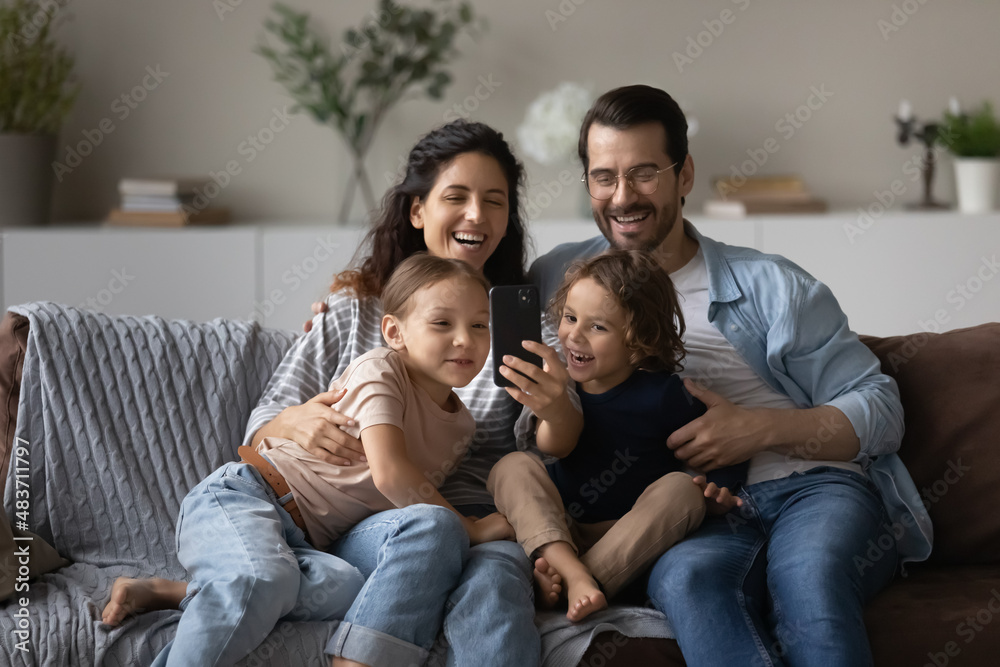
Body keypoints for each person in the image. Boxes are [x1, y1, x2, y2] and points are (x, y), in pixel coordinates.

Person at [102, 120, 548, 667]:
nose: (477, 215)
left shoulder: (517, 331)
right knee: (274, 573)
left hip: (379, 528)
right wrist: (292, 421)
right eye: (456, 196)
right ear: (417, 210)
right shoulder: (359, 321)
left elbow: (538, 452)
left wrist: (557, 402)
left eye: (494, 201)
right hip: (286, 501)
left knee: (408, 568)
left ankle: (179, 592)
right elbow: (270, 425)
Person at [528, 85, 933, 666]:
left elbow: (880, 407)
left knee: (810, 583)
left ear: (684, 174)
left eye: (644, 173)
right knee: (690, 584)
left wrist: (759, 429)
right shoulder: (557, 277)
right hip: (697, 514)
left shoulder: (773, 284)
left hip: (808, 490)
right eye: (603, 176)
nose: (622, 197)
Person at [103, 253, 511, 666]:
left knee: (351, 587)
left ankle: (174, 592)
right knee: (261, 577)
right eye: (443, 323)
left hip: (315, 545)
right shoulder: (381, 370)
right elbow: (392, 477)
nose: (465, 339)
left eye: (479, 325)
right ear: (395, 332)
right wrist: (471, 529)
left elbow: (404, 508)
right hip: (251, 497)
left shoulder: (462, 425)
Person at [488, 249, 745, 623]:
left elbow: (721, 446)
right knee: (512, 466)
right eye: (570, 318)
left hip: (628, 538)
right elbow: (548, 444)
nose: (574, 335)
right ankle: (575, 576)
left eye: (597, 327)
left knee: (682, 488)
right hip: (560, 528)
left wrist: (719, 489)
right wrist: (554, 402)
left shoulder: (665, 395)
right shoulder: (557, 385)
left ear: (639, 340)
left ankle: (577, 581)